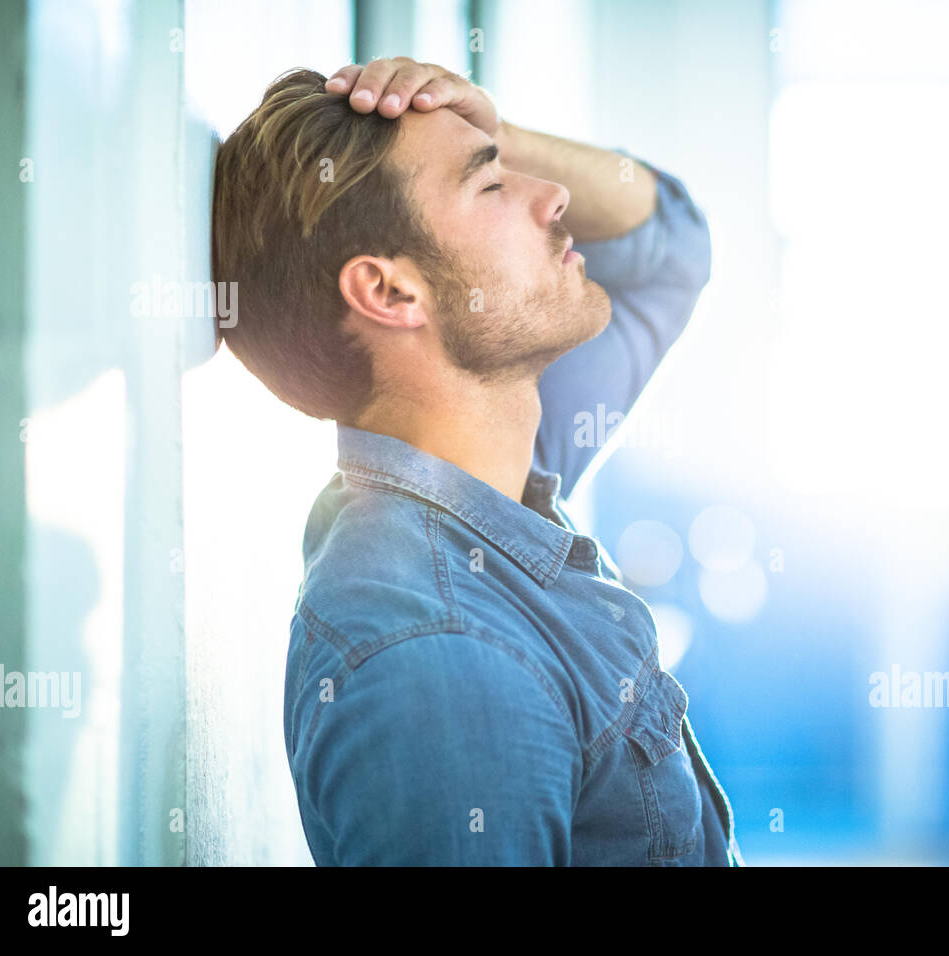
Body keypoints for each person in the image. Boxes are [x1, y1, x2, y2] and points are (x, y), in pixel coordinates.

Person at [211, 56, 742, 865]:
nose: (552, 195)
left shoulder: (490, 468)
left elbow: (670, 249)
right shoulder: (439, 655)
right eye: (490, 185)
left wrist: (497, 134)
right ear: (390, 294)